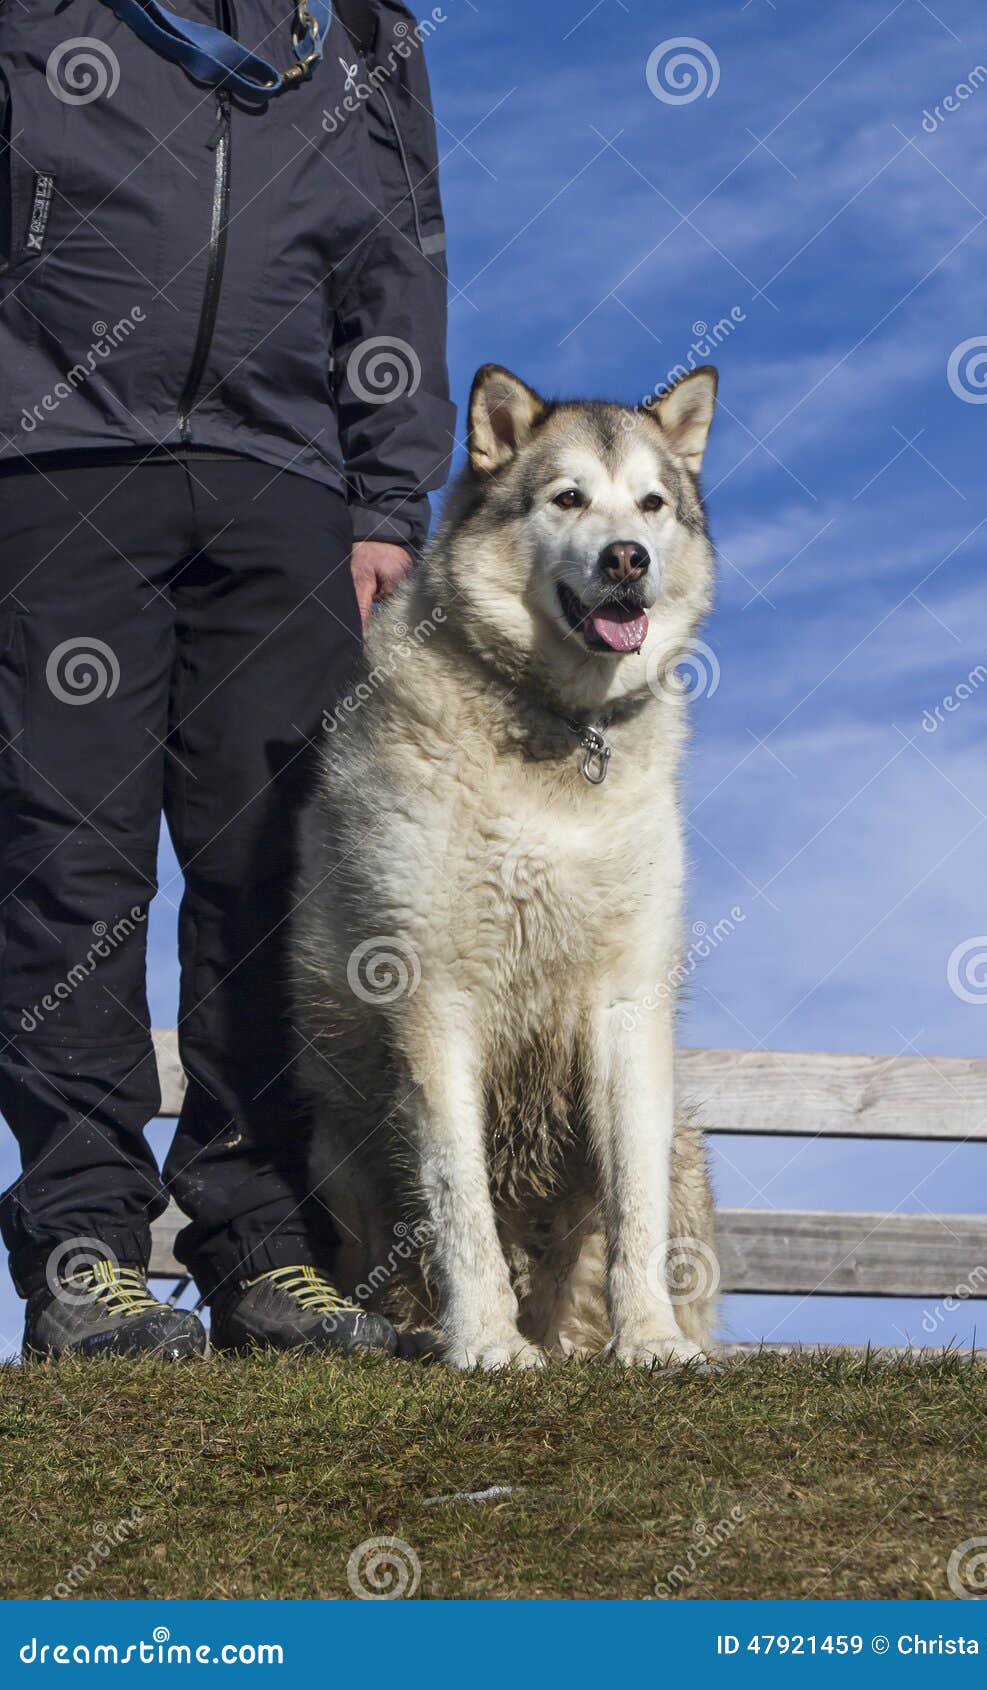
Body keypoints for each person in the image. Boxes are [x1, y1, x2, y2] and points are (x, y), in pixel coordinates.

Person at [0, 0, 455, 1357]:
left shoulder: (364, 28)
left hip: (291, 494)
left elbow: (400, 258)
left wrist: (387, 498)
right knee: (66, 868)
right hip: (53, 468)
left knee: (273, 876)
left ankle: (265, 1245)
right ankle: (84, 1246)